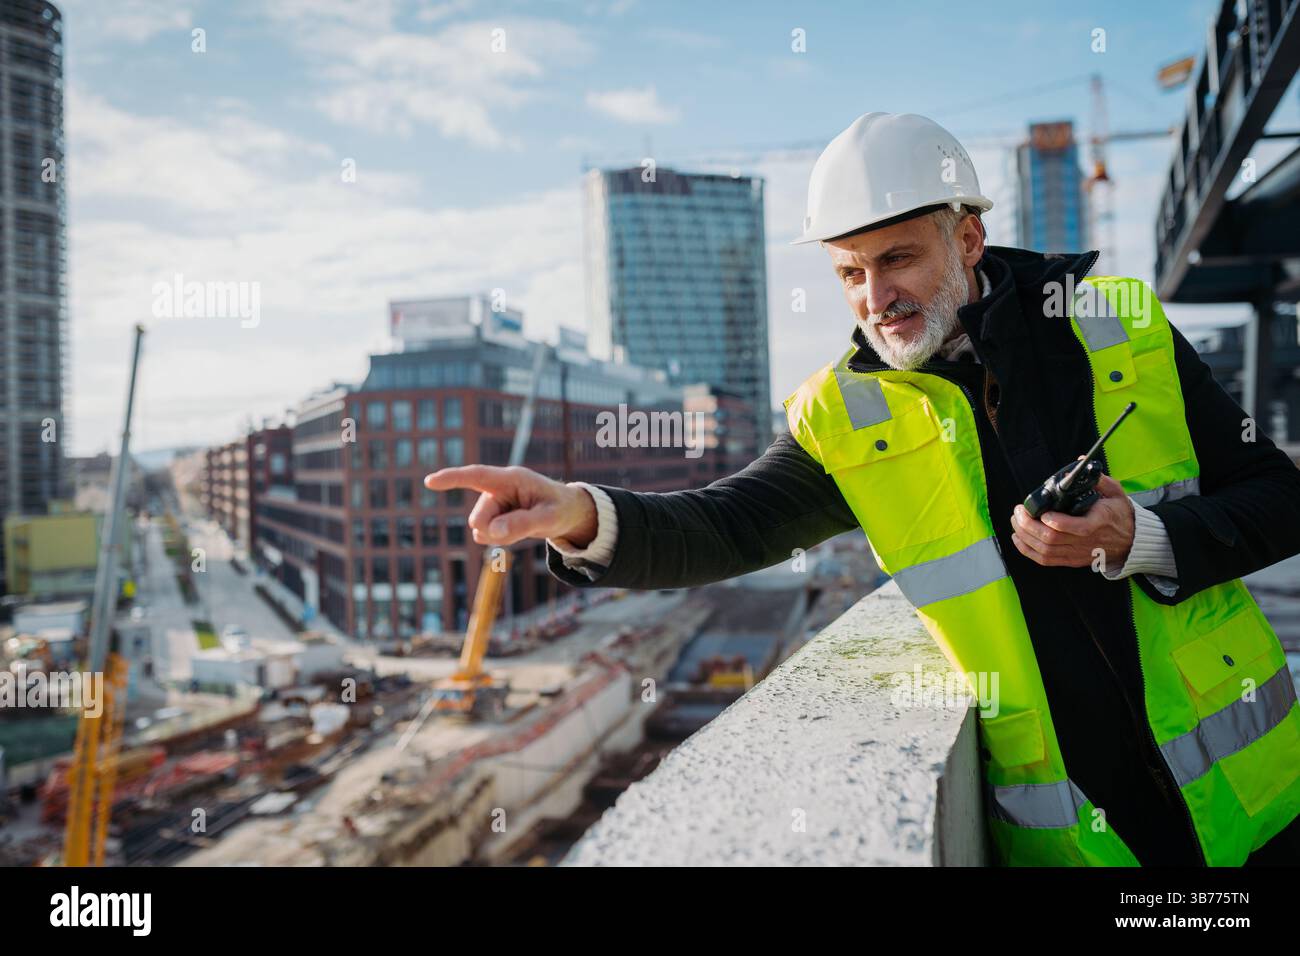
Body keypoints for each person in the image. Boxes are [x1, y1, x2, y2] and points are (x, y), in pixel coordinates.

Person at [424, 112, 1300, 866]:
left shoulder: (1122, 327)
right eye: (849, 272)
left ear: (966, 240)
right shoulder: (844, 417)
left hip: (1261, 804)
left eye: (897, 259)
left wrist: (1136, 538)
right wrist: (581, 514)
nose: (876, 298)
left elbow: (1280, 496)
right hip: (1079, 845)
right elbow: (730, 526)